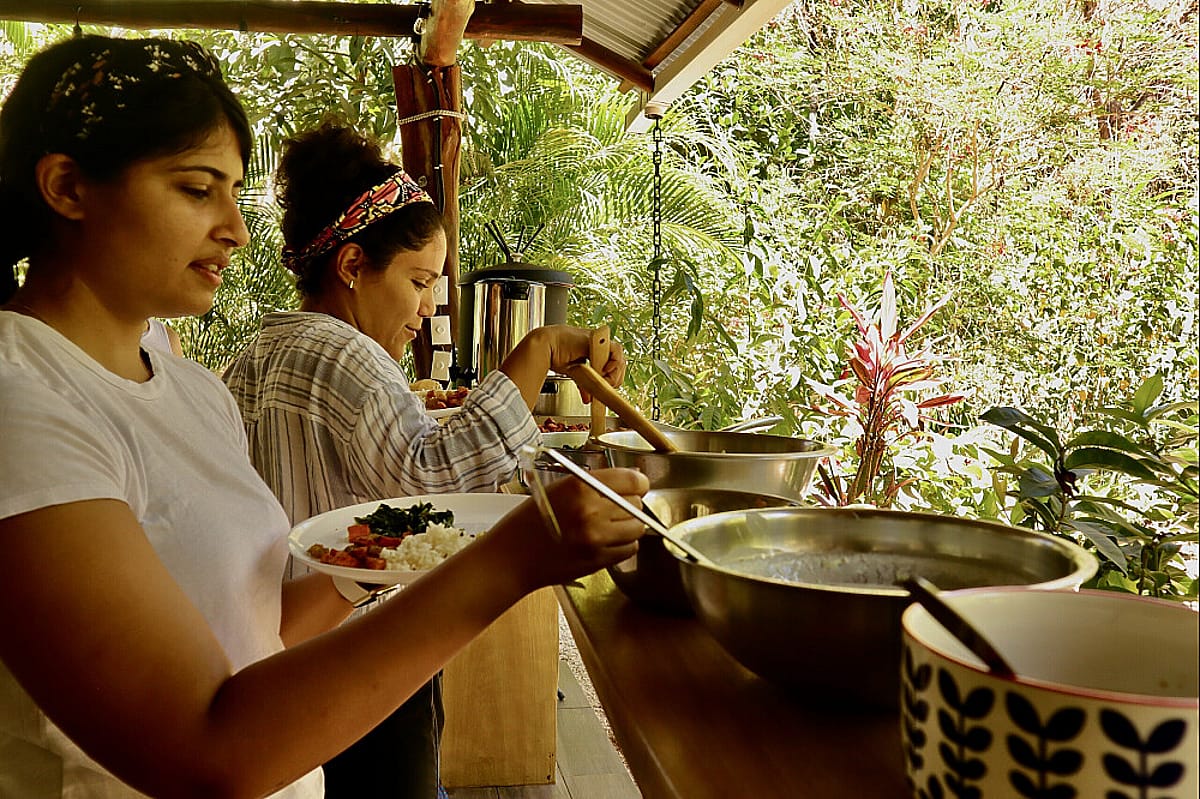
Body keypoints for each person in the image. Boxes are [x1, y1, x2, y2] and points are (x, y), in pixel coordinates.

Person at [0, 34, 647, 799]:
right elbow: (205, 750)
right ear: (67, 187)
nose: (235, 231)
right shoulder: (23, 403)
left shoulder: (193, 392)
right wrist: (510, 556)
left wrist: (378, 553)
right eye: (196, 188)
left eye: (233, 194)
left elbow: (260, 625)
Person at [220, 120, 630, 798]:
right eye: (418, 280)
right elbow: (433, 476)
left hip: (281, 645)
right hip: (355, 652)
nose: (429, 305)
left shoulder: (260, 350)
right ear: (352, 266)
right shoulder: (341, 352)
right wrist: (538, 351)